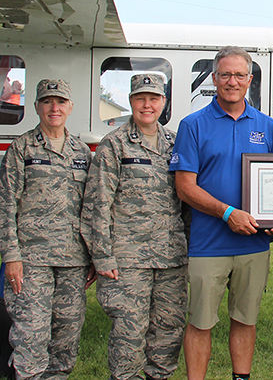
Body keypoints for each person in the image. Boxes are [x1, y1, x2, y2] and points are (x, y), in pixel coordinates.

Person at [170, 47, 273, 380]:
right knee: (200, 322)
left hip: (253, 246)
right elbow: (184, 187)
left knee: (245, 320)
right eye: (225, 74)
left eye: (239, 75)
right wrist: (227, 212)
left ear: (250, 79)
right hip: (208, 244)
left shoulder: (267, 126)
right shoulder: (193, 125)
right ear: (214, 78)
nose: (232, 81)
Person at [83, 73, 188, 380]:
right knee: (128, 334)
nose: (147, 105)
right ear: (130, 102)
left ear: (164, 102)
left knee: (168, 333)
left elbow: (186, 198)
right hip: (128, 259)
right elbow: (96, 204)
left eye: (154, 98)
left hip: (171, 257)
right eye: (140, 98)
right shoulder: (114, 144)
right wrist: (102, 257)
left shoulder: (175, 143)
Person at [0, 79, 91, 379]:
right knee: (30, 337)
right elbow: (5, 205)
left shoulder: (83, 153)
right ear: (36, 106)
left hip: (73, 261)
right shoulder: (22, 148)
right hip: (31, 261)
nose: (54, 108)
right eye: (47, 101)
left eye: (60, 101)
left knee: (66, 338)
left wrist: (93, 256)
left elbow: (92, 208)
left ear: (70, 107)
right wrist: (11, 256)